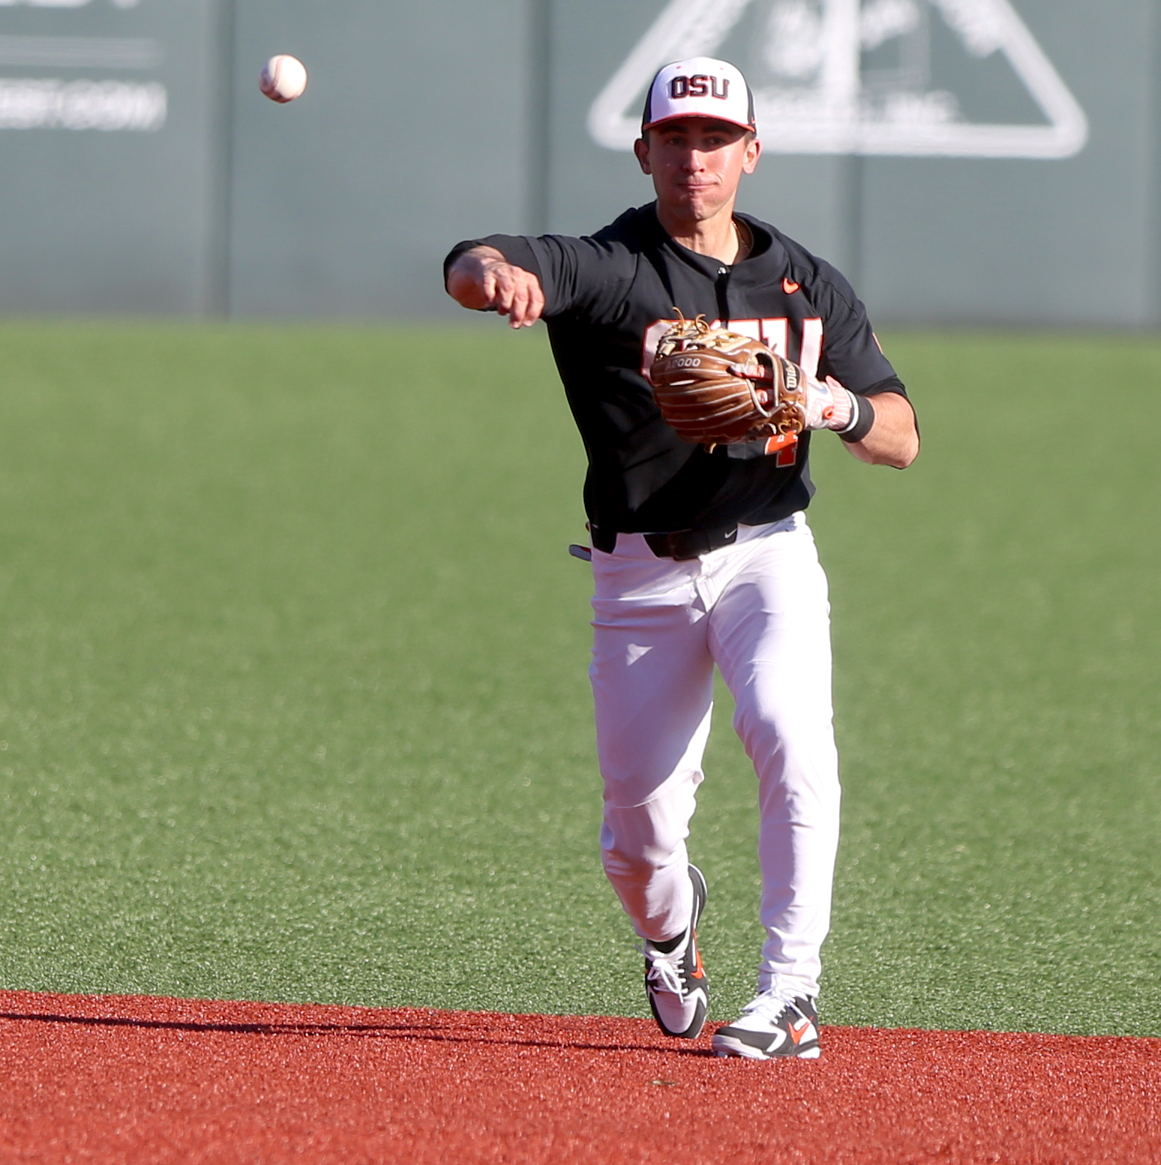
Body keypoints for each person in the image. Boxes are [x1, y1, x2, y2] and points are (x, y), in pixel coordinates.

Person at [444, 56, 918, 1060]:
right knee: (638, 838)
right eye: (675, 139)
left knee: (791, 734)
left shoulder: (804, 284)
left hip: (767, 554)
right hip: (639, 575)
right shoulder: (612, 268)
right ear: (643, 151)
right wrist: (494, 278)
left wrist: (834, 404)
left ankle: (791, 993)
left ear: (751, 152)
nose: (694, 158)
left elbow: (902, 437)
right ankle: (671, 934)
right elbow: (474, 261)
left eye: (714, 139)